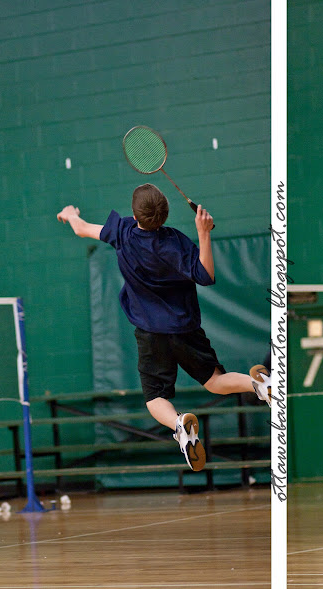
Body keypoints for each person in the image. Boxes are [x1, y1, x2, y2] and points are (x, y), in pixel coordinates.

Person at [57, 183, 271, 472]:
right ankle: (259, 385)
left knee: (155, 398)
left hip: (150, 334)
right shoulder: (175, 242)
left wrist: (70, 213)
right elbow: (205, 275)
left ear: (135, 214)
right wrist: (204, 234)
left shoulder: (122, 232)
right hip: (184, 329)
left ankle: (179, 425)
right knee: (214, 382)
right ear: (165, 213)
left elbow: (81, 228)